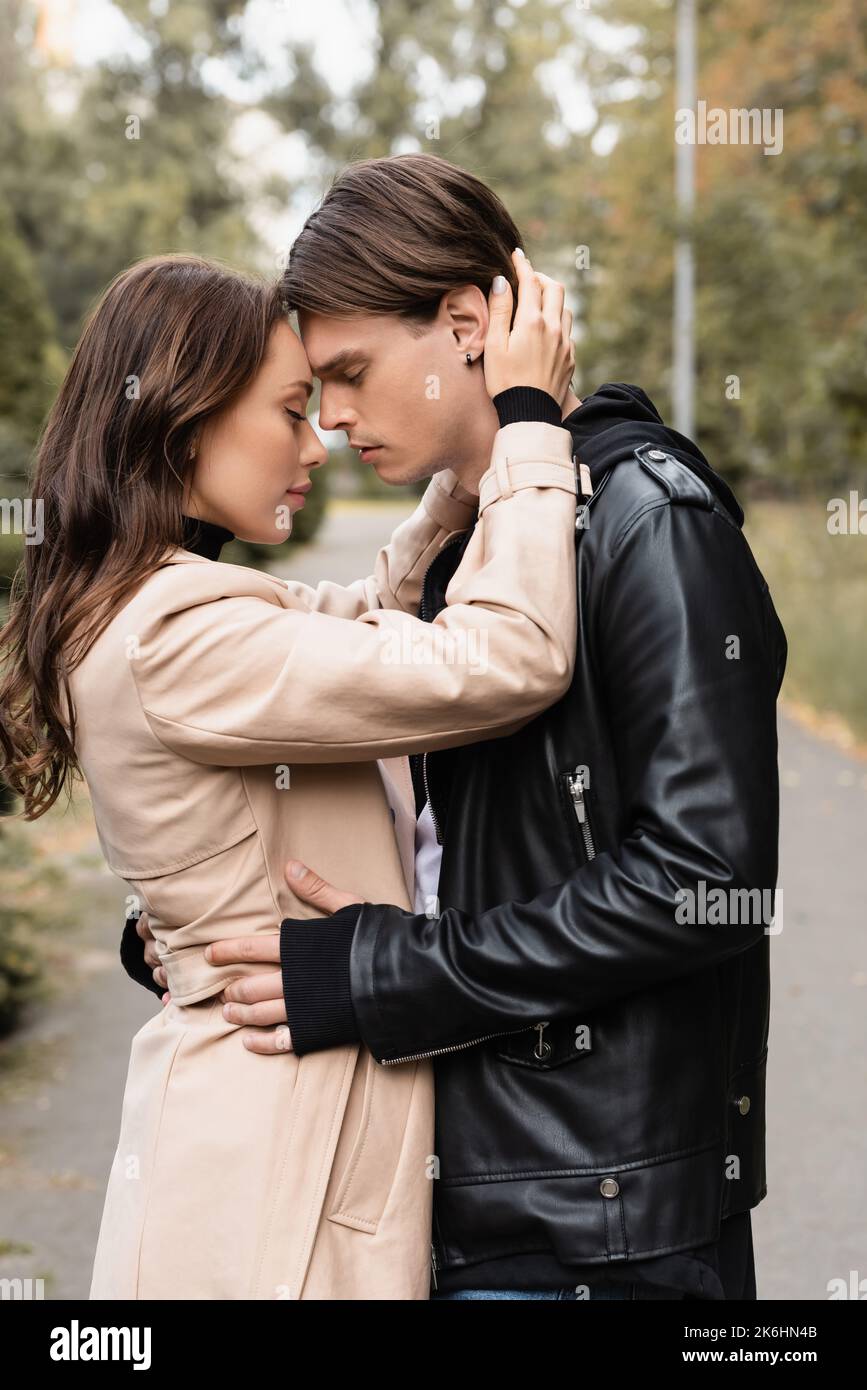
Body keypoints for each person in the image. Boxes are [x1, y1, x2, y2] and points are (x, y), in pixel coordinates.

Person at [128, 154, 787, 1301]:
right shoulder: (470, 556)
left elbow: (706, 876)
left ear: (469, 322)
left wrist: (387, 972)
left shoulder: (646, 523)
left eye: (348, 371)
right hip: (447, 1195)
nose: (328, 419)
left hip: (601, 1223)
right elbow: (434, 855)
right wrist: (211, 925)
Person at [0, 247, 580, 1299]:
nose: (317, 443)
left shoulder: (167, 600)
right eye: (289, 411)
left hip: (285, 1126)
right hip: (268, 1169)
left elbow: (362, 625)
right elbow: (507, 659)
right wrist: (532, 427)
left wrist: (458, 475)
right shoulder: (178, 632)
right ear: (183, 420)